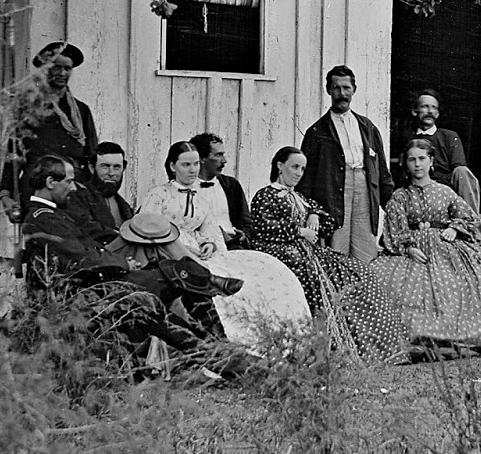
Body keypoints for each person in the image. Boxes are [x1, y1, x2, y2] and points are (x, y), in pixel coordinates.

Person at [17, 156, 232, 375]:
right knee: (172, 282)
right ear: (51, 182)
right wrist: (123, 263)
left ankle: (221, 352)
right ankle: (222, 352)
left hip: (97, 286)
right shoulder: (43, 218)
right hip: (83, 295)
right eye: (69, 181)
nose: (73, 188)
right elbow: (82, 260)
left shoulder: (53, 213)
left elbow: (90, 242)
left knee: (173, 280)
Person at [138, 141, 313, 347]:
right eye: (186, 165)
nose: (193, 170)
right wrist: (186, 246)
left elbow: (210, 230)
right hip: (167, 251)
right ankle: (224, 331)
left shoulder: (199, 199)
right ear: (172, 166)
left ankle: (275, 339)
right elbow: (148, 228)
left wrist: (209, 245)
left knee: (261, 270)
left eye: (195, 164)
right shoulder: (159, 194)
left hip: (200, 252)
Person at [250, 146, 411, 365]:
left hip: (311, 253)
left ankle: (375, 347)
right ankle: (329, 344)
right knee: (320, 280)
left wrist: (314, 214)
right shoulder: (265, 195)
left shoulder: (300, 197)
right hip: (282, 254)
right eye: (294, 167)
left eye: (302, 169)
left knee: (359, 273)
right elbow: (263, 228)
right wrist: (299, 231)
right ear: (280, 165)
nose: (298, 173)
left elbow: (329, 221)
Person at [369, 137, 481, 351]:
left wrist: (454, 228)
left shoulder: (444, 191)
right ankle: (417, 337)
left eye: (422, 159)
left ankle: (468, 334)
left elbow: (469, 217)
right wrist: (408, 248)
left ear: (431, 161)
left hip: (446, 249)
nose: (417, 164)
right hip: (414, 252)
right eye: (412, 159)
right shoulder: (400, 196)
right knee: (386, 280)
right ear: (405, 164)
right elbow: (394, 229)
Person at [298, 65, 394, 262]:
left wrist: (393, 208)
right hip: (333, 195)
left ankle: (364, 292)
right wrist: (311, 212)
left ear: (354, 90)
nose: (342, 93)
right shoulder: (316, 132)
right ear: (328, 90)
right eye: (336, 88)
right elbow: (305, 180)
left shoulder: (368, 127)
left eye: (346, 88)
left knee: (366, 249)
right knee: (336, 251)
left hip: (365, 191)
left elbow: (382, 172)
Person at [0, 41, 99, 222]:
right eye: (56, 67)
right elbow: (14, 158)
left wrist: (92, 197)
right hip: (36, 192)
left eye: (67, 68)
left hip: (72, 194)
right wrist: (5, 195)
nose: (62, 73)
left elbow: (91, 156)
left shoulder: (81, 111)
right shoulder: (28, 109)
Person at [394, 90, 481, 213]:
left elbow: (458, 170)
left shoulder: (448, 136)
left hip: (446, 189)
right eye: (424, 106)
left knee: (462, 172)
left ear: (438, 113)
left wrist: (436, 184)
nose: (430, 111)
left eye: (434, 108)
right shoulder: (408, 139)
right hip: (417, 189)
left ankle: (470, 224)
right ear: (414, 111)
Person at [189, 132, 250, 247]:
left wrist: (243, 237)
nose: (224, 160)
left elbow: (245, 221)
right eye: (218, 155)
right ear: (201, 158)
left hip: (232, 245)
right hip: (200, 247)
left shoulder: (231, 185)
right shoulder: (187, 188)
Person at [71, 142, 135, 243]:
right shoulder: (79, 196)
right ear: (92, 168)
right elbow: (86, 228)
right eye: (105, 166)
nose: (111, 173)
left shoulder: (123, 205)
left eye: (117, 167)